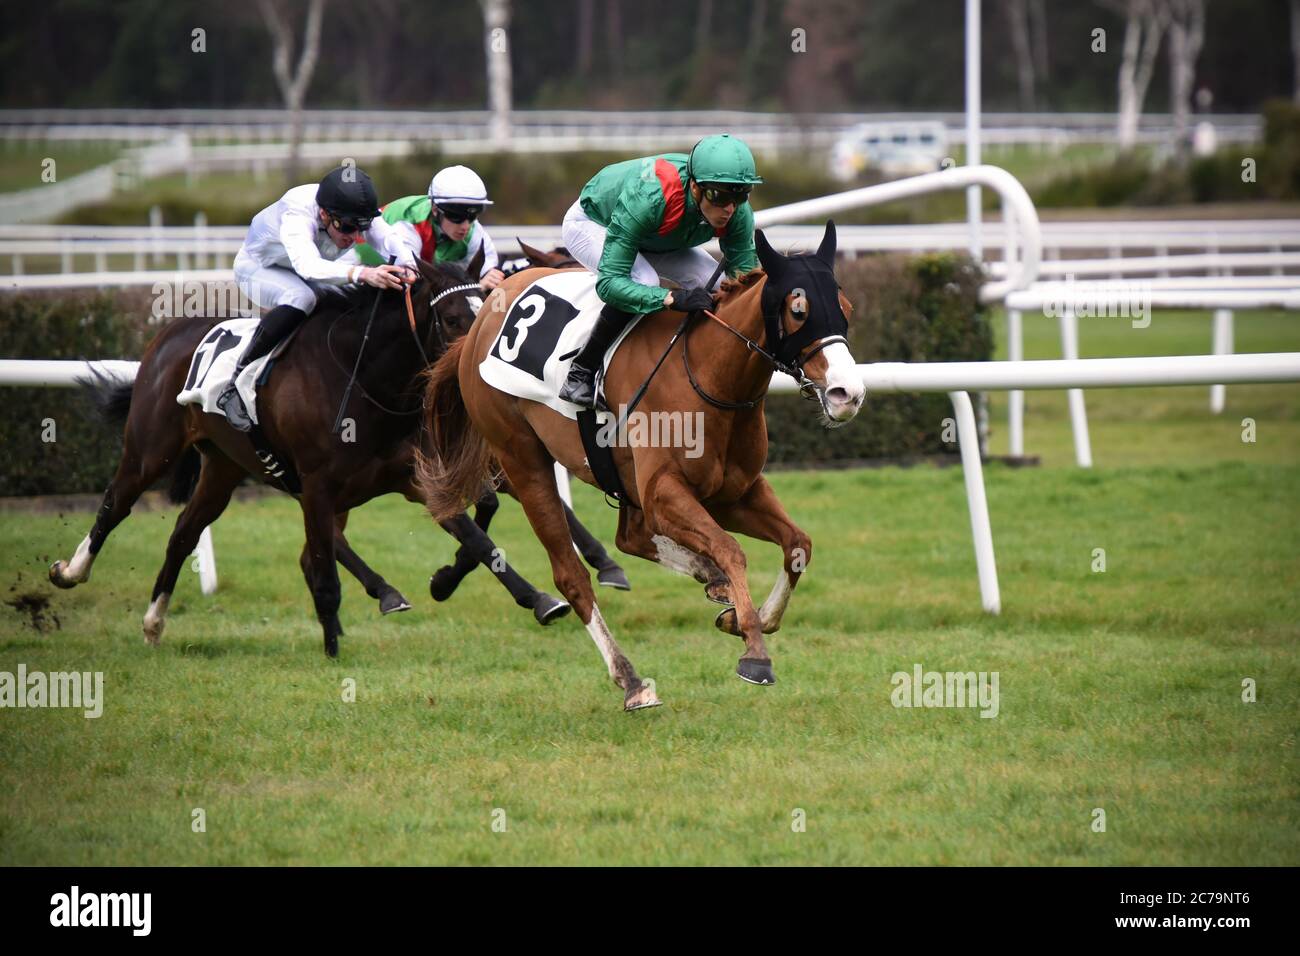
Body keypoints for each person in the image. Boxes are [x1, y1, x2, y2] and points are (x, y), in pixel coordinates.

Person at [557, 133, 764, 409]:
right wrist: (670, 299)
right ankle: (581, 372)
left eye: (740, 196)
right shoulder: (650, 197)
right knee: (644, 279)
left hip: (659, 234)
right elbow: (610, 283)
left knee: (722, 286)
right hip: (595, 223)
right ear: (695, 188)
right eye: (719, 196)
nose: (729, 208)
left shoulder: (737, 212)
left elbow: (746, 284)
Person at [217, 165, 416, 431]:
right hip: (259, 268)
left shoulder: (352, 210)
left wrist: (410, 266)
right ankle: (234, 381)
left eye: (360, 228)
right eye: (346, 228)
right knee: (302, 298)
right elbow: (307, 267)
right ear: (323, 214)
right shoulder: (298, 213)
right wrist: (364, 273)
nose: (354, 237)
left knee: (351, 298)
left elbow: (388, 238)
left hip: (306, 267)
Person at [350, 164, 505, 291]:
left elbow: (489, 273)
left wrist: (488, 279)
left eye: (472, 216)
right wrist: (477, 287)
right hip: (354, 266)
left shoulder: (473, 230)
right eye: (456, 216)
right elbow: (414, 282)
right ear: (435, 210)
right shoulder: (409, 224)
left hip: (388, 276)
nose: (465, 226)